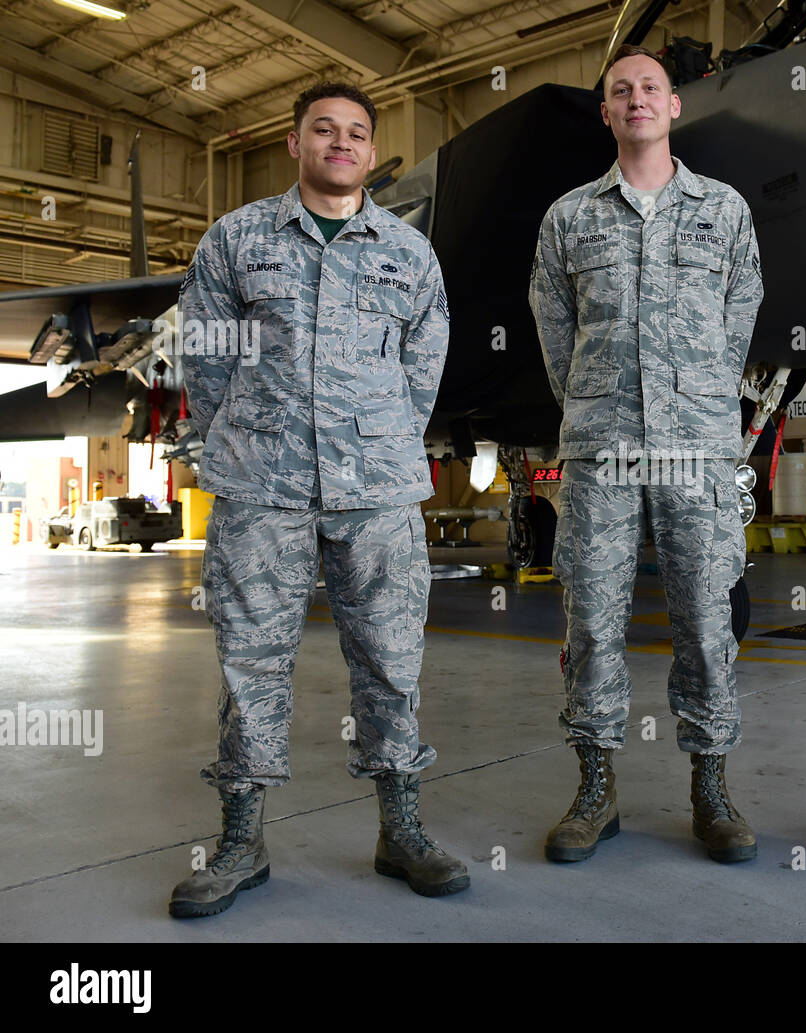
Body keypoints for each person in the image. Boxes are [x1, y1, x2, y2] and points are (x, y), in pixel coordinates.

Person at [169, 81, 468, 918]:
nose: (341, 143)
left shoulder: (409, 253)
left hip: (376, 493)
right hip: (261, 488)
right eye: (324, 130)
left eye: (357, 133)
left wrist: (380, 445)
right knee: (250, 664)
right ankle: (241, 841)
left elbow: (423, 367)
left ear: (372, 153)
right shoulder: (236, 240)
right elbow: (207, 361)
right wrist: (245, 440)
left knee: (391, 661)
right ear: (294, 142)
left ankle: (401, 827)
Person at [528, 44, 764, 864]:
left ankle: (711, 787)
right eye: (620, 90)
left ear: (674, 106)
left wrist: (698, 396)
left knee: (706, 618)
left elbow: (741, 311)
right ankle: (596, 789)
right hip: (602, 451)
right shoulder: (569, 218)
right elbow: (556, 329)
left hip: (697, 447)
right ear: (606, 112)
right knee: (592, 618)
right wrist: (595, 403)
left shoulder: (724, 210)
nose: (636, 99)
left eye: (651, 88)